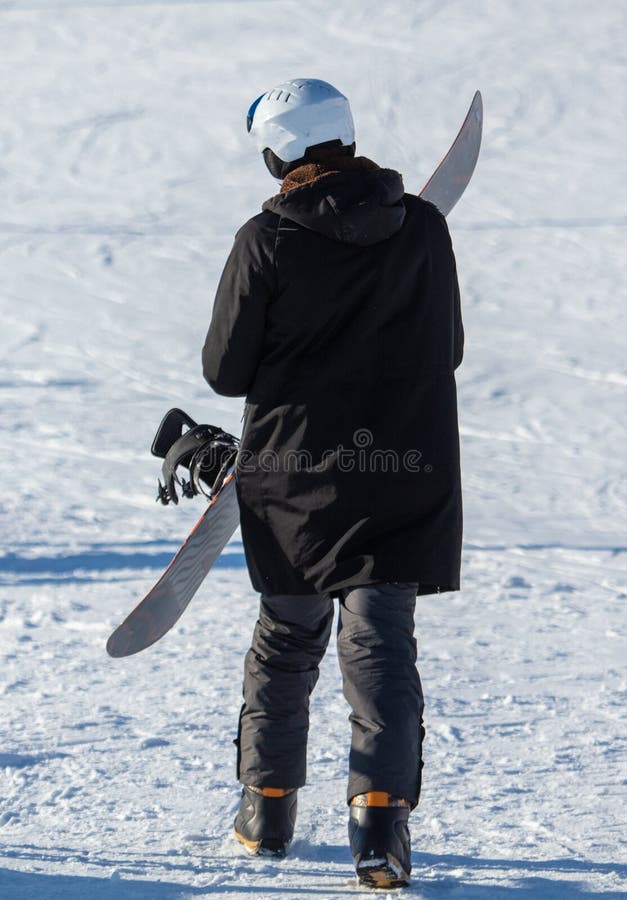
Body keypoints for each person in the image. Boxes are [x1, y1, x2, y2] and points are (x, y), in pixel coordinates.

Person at [202, 77, 463, 890]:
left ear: (280, 148)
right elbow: (446, 345)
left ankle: (264, 813)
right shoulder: (420, 225)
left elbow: (225, 370)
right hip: (403, 466)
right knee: (379, 644)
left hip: (294, 477)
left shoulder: (266, 238)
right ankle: (379, 830)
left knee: (286, 643)